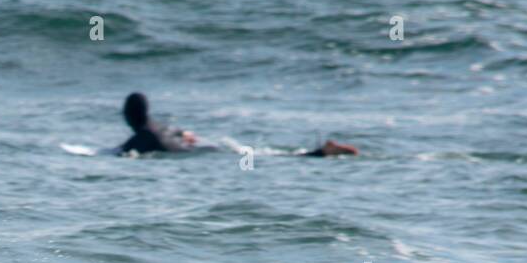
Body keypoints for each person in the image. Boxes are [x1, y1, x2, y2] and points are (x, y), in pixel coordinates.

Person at [116, 92, 358, 158]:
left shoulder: (144, 135)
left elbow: (121, 153)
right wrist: (186, 134)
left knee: (270, 158)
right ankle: (320, 152)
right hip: (204, 149)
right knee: (268, 155)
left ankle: (320, 153)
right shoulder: (158, 126)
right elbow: (183, 132)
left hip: (200, 156)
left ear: (129, 114)